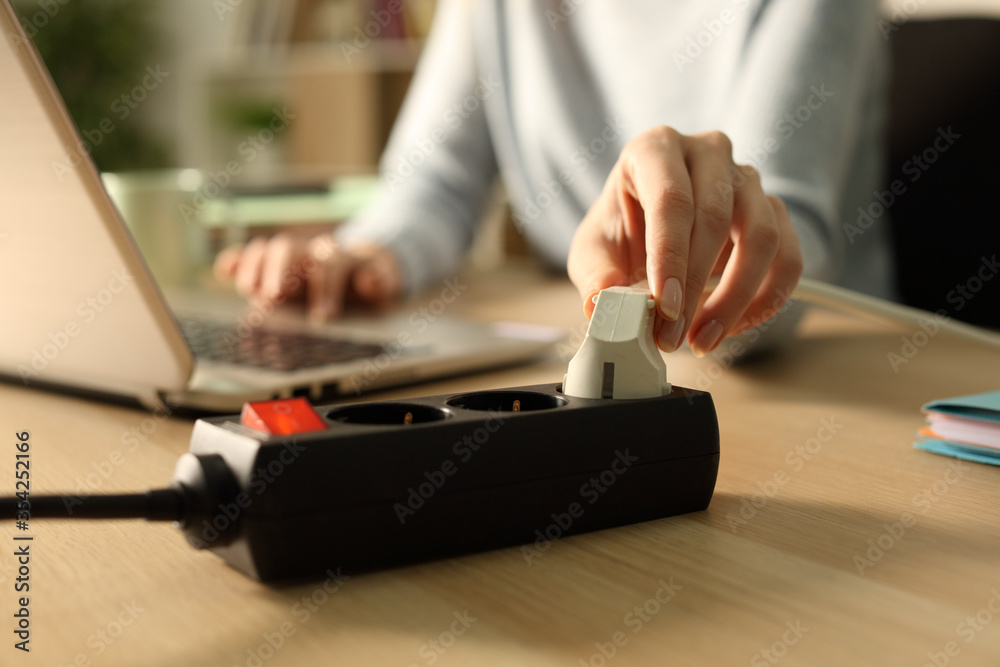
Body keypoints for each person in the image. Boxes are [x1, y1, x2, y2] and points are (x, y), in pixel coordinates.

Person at [215, 0, 892, 358]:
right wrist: (365, 255)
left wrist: (717, 262)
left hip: (840, 384)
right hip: (583, 355)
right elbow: (433, 185)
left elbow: (788, 250)